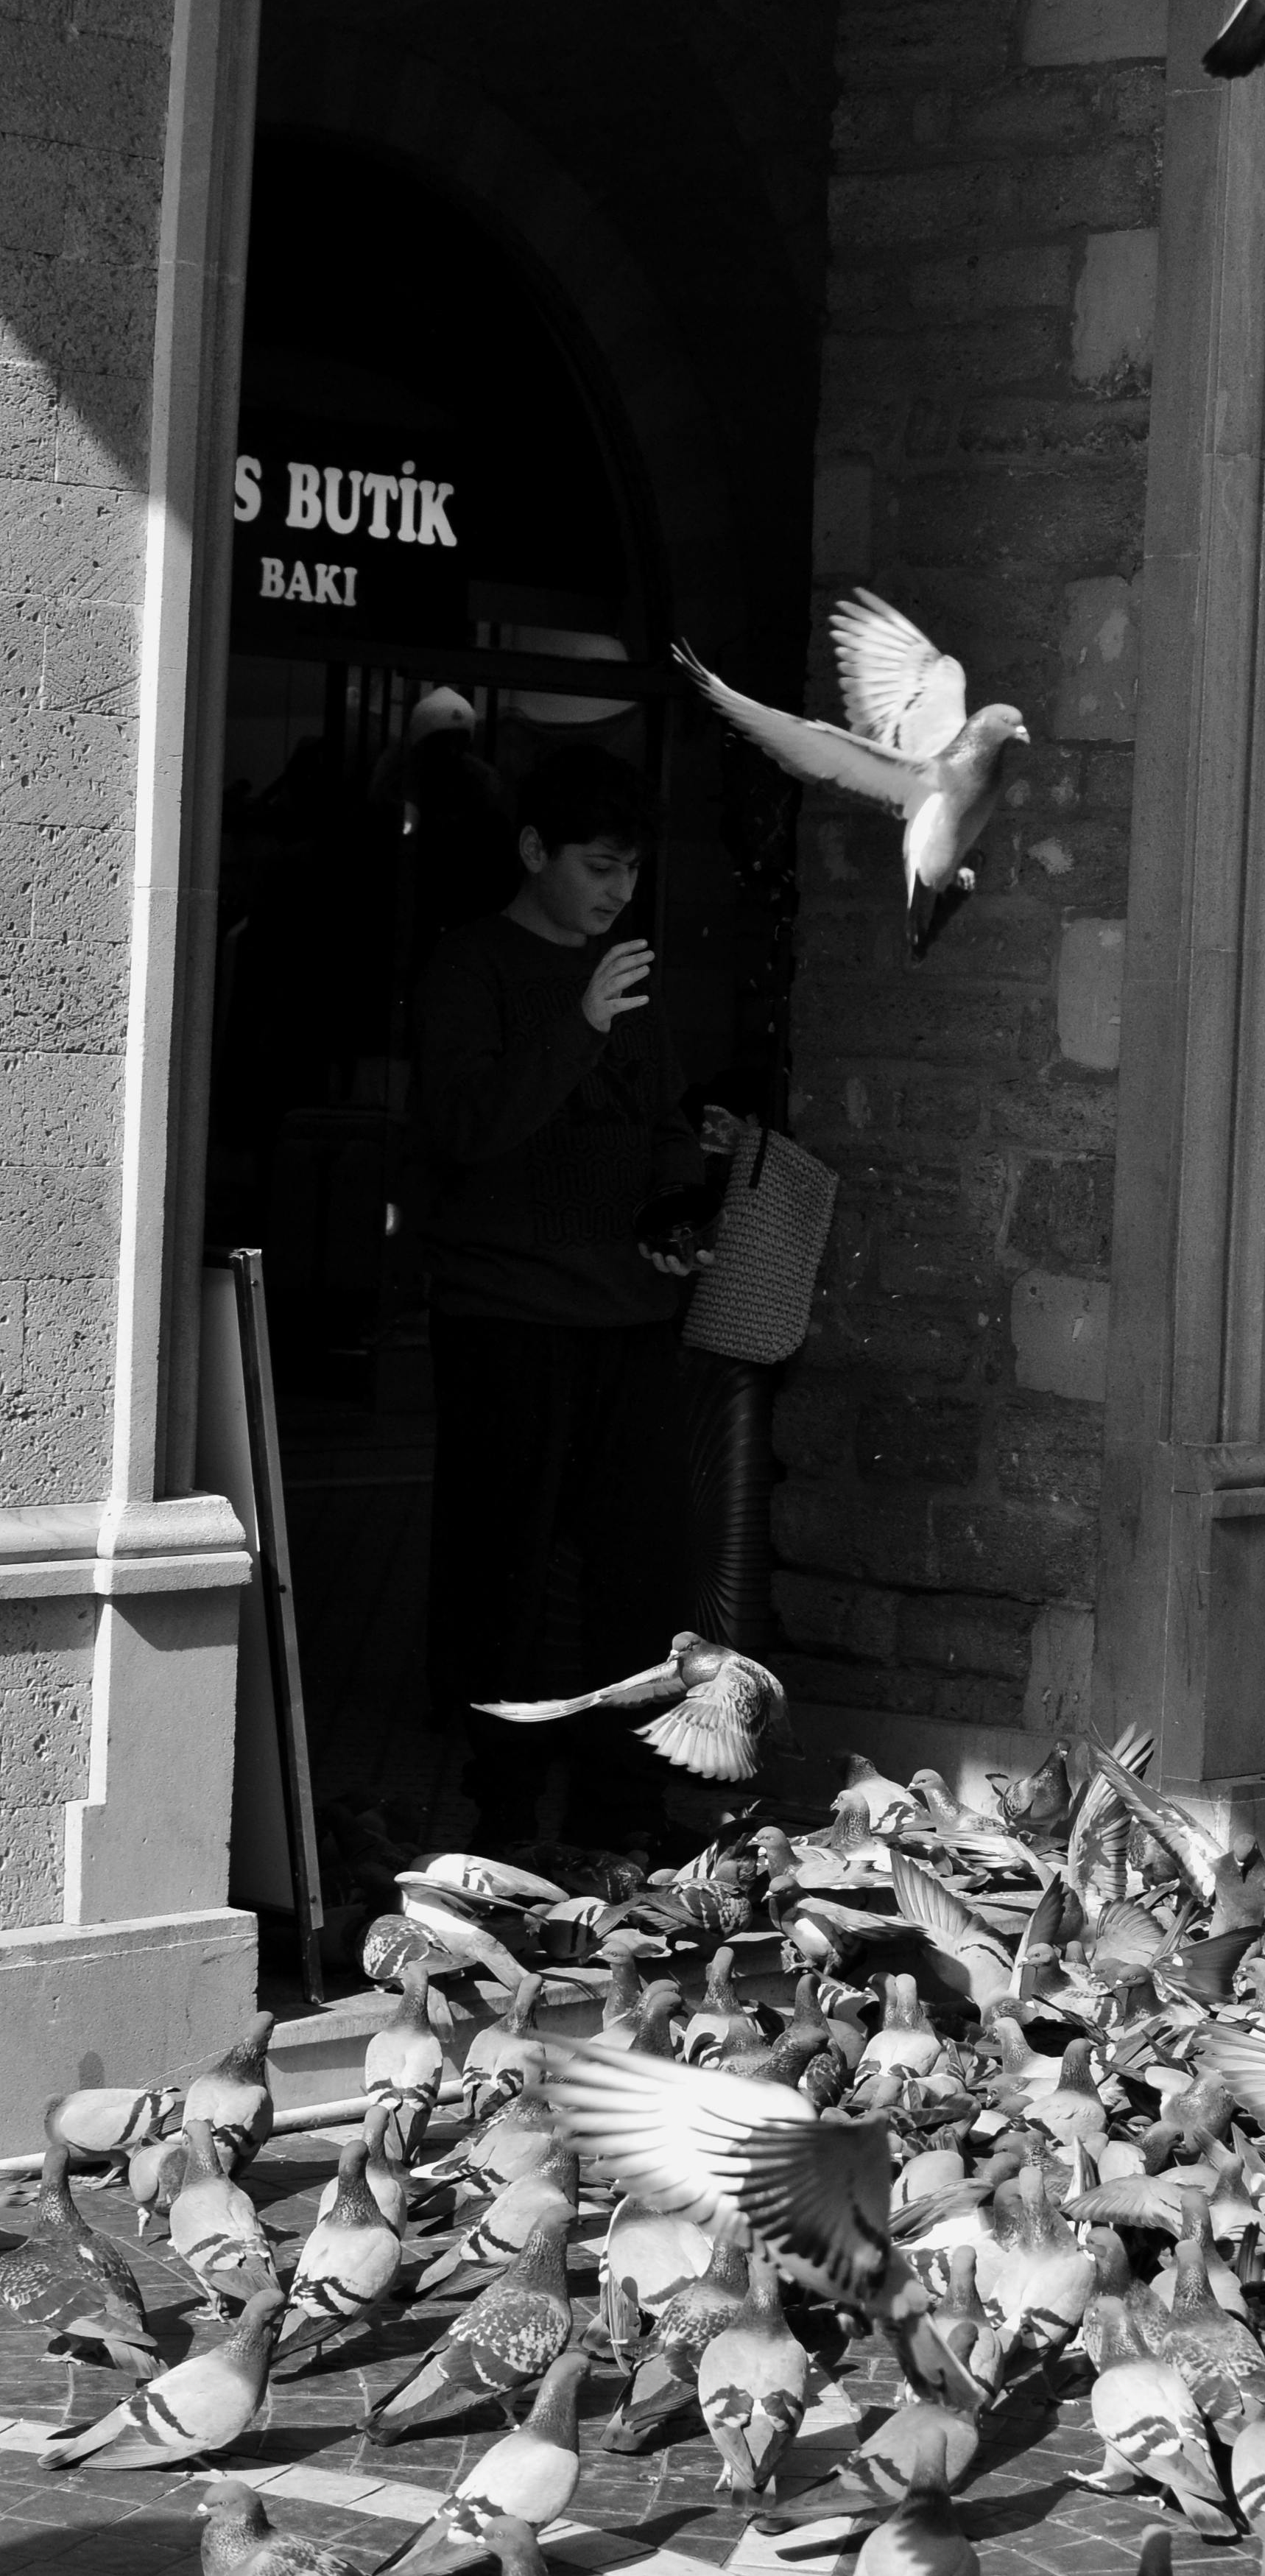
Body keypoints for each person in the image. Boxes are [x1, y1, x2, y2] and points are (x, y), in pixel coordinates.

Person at [412, 742, 712, 1854]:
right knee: (506, 1575)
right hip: (505, 1321)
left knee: (641, 1579)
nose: (618, 891)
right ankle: (497, 1818)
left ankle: (623, 1814)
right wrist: (579, 1021)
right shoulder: (469, 968)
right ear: (535, 849)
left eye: (632, 870)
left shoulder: (628, 978)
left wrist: (678, 1220)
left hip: (629, 1324)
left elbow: (664, 1125)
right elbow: (468, 1129)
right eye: (599, 865)